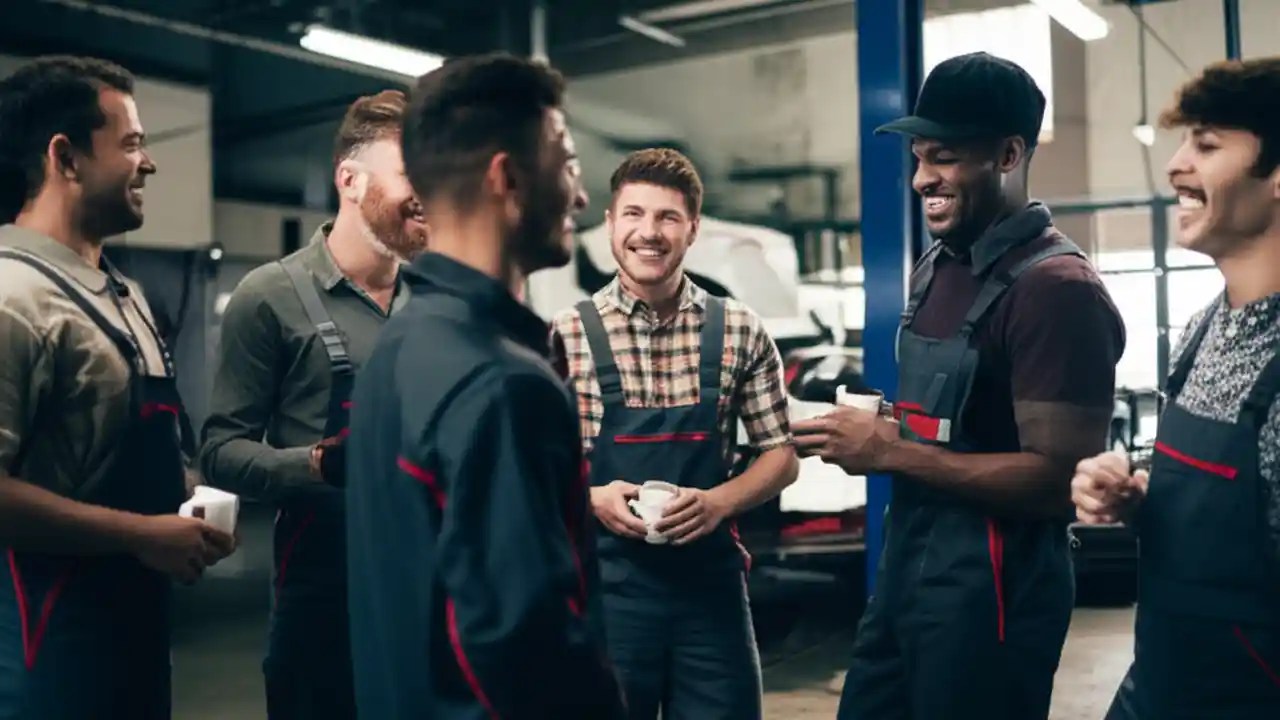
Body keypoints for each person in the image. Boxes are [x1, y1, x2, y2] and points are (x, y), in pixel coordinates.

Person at [793, 52, 1126, 720]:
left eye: (942, 157)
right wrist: (878, 425)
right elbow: (960, 421)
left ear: (1008, 154)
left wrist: (888, 454)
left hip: (995, 591)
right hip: (906, 570)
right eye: (918, 157)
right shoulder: (936, 266)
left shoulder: (1056, 291)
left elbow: (1059, 477)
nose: (922, 179)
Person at [344, 53, 627, 720]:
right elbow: (529, 654)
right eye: (567, 166)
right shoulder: (503, 385)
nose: (580, 198)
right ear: (508, 178)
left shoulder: (399, 346)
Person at [0, 55, 236, 718]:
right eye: (132, 143)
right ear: (64, 158)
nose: (149, 162)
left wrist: (185, 504)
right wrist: (139, 533)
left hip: (133, 635)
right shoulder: (11, 295)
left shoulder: (122, 291)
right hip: (46, 648)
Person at [198, 89, 427, 720]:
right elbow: (220, 452)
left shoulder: (440, 296)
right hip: (325, 598)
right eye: (411, 171)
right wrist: (319, 466)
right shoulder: (270, 296)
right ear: (350, 180)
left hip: (433, 592)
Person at [550, 148, 798, 720]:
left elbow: (780, 456)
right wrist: (591, 499)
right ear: (610, 224)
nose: (649, 233)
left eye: (667, 218)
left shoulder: (739, 329)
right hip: (604, 593)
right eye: (633, 214)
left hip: (710, 595)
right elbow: (535, 473)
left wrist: (717, 503)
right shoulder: (564, 337)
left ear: (692, 230)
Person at [1072, 57, 1280, 719]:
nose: (1175, 164)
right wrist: (1138, 495)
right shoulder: (1198, 333)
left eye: (1208, 143)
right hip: (1158, 685)